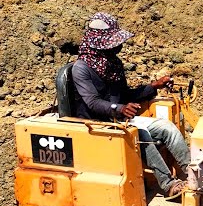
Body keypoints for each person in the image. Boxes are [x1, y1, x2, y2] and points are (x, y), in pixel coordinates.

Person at [70, 12, 190, 196]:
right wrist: (120, 109)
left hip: (119, 120)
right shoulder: (81, 69)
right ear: (100, 45)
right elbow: (92, 102)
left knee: (168, 128)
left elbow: (125, 94)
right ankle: (168, 184)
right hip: (97, 124)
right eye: (114, 42)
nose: (119, 46)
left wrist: (153, 86)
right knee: (140, 134)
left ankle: (194, 173)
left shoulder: (113, 64)